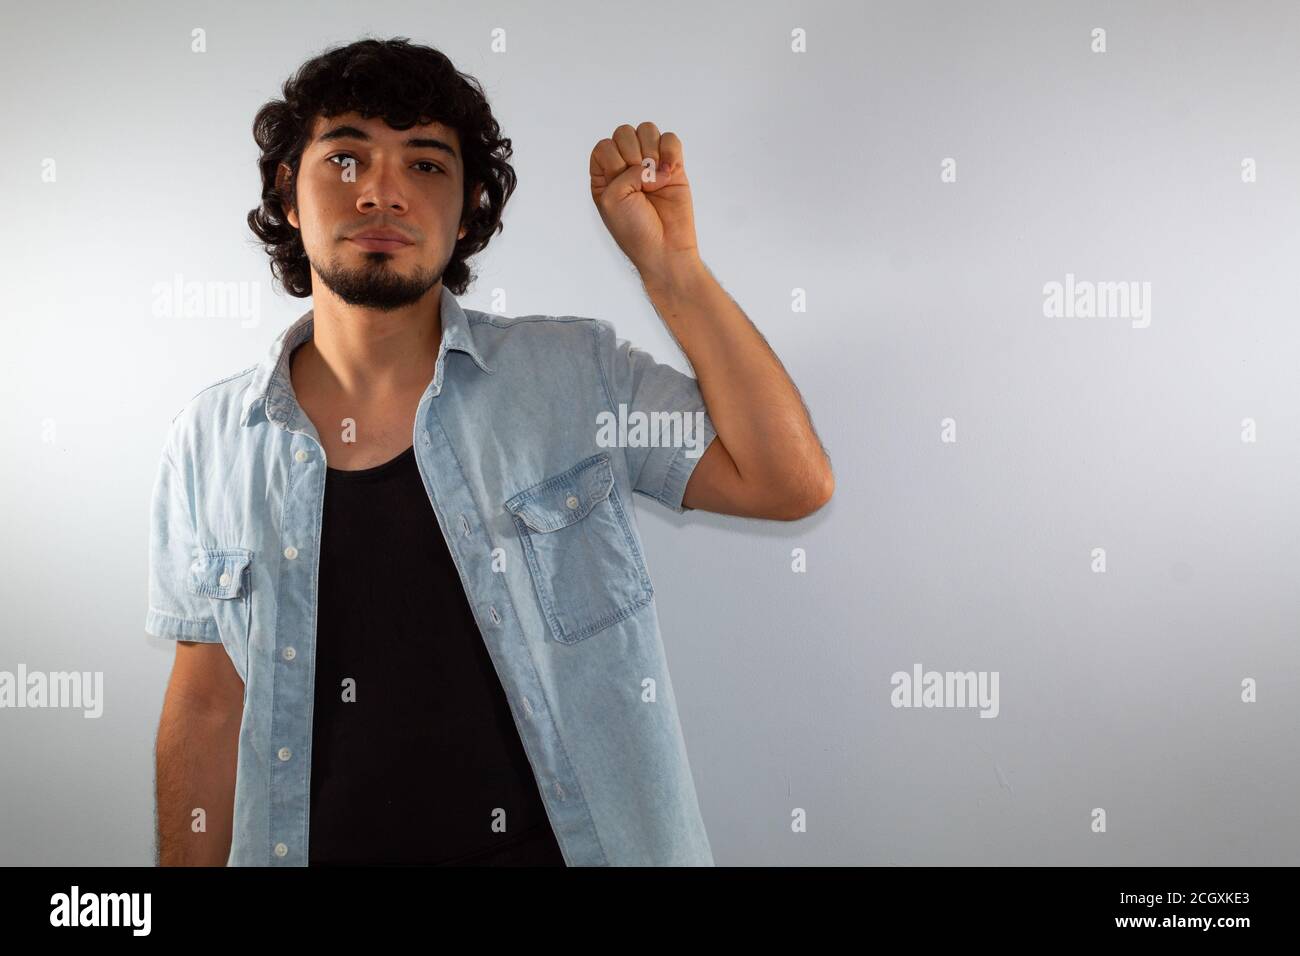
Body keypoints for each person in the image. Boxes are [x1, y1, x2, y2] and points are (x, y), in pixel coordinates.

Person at [148, 36, 833, 867]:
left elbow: (786, 481)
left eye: (427, 165)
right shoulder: (208, 440)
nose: (384, 192)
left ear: (470, 209)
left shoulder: (576, 376)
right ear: (290, 196)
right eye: (346, 158)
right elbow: (207, 703)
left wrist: (672, 268)